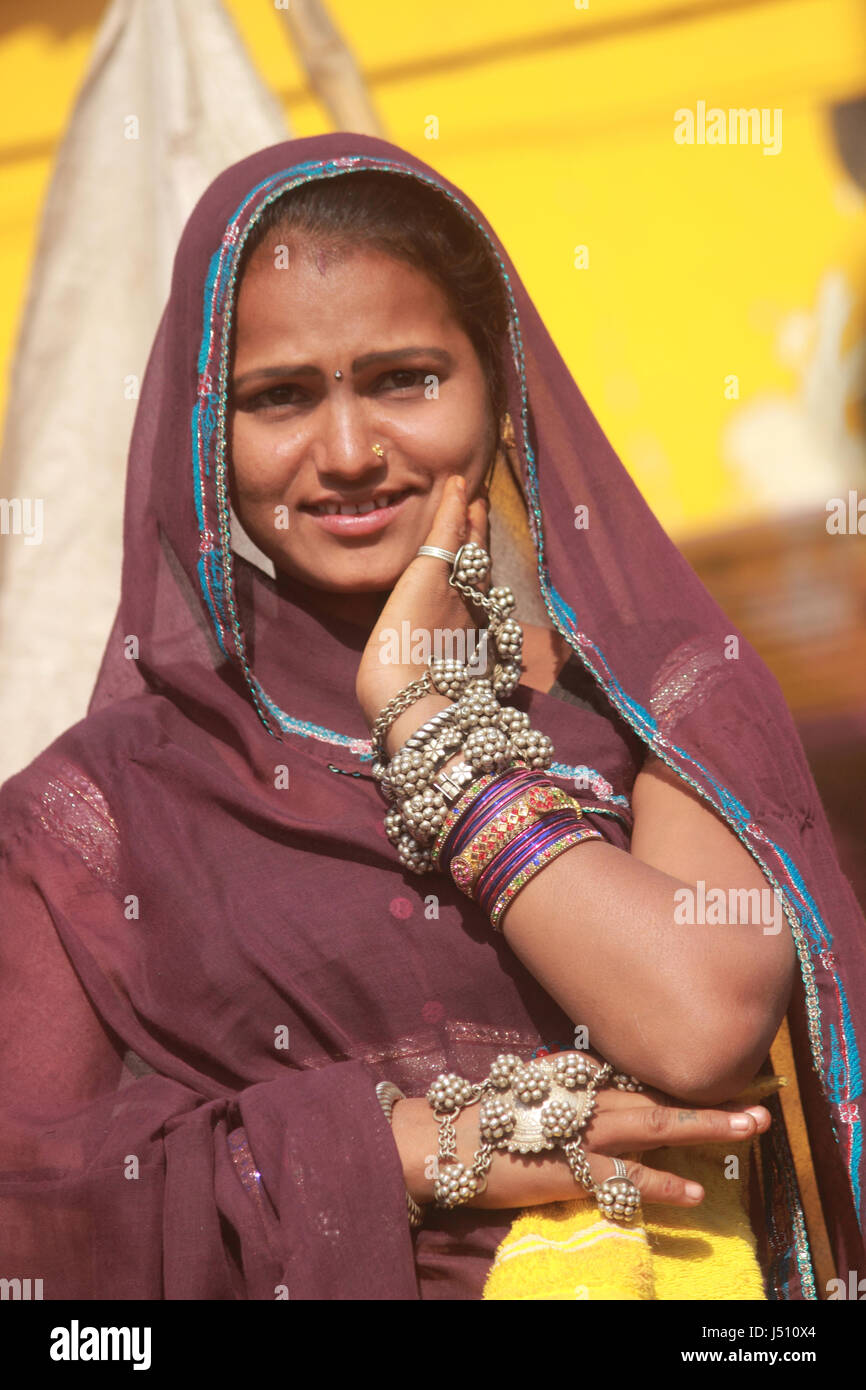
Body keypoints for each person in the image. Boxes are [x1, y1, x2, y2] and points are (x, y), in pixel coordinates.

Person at [0, 133, 863, 1302]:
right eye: (279, 398)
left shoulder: (651, 697)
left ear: (495, 387)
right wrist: (398, 1150)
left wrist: (425, 723)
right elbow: (35, 1206)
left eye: (405, 378)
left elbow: (694, 1018)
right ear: (209, 431)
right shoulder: (96, 808)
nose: (347, 453)